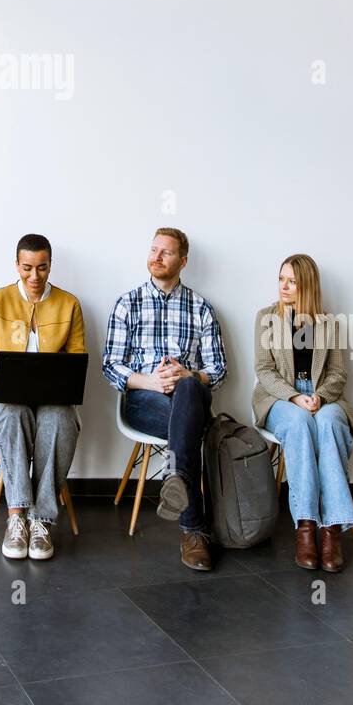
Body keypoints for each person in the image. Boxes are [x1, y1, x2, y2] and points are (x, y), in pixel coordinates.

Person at [102, 228, 226, 571]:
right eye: (153, 250)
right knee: (186, 419)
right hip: (145, 399)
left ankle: (177, 479)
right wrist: (154, 382)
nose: (156, 257)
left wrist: (189, 376)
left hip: (190, 396)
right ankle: (194, 531)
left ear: (183, 262)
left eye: (166, 253)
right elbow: (110, 366)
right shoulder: (127, 303)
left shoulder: (201, 307)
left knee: (187, 389)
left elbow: (217, 369)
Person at [0, 235, 86, 562]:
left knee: (61, 419)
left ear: (50, 265)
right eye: (27, 268)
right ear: (17, 266)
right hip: (6, 394)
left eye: (42, 268)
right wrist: (0, 379)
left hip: (52, 396)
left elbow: (77, 356)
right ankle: (16, 516)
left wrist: (61, 383)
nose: (34, 276)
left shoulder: (69, 304)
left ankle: (41, 519)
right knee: (12, 412)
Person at [253, 254, 353, 572]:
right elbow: (264, 370)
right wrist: (294, 397)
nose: (284, 286)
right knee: (300, 423)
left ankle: (330, 533)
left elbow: (338, 374)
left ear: (308, 286)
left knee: (330, 424)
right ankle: (306, 527)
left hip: (321, 396)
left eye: (292, 281)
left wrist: (319, 395)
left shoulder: (330, 324)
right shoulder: (265, 318)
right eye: (281, 279)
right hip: (278, 398)